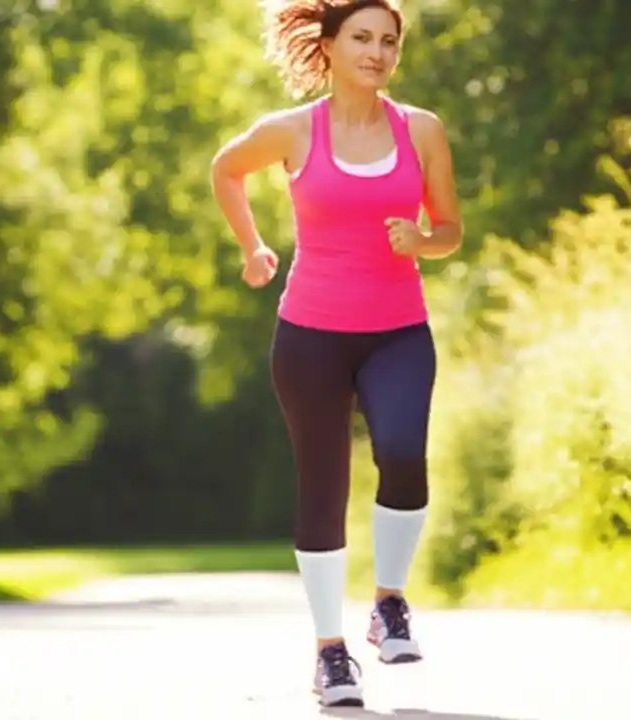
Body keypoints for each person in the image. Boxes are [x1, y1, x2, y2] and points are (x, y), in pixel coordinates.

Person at [210, 0, 462, 708]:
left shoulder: (422, 131)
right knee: (322, 491)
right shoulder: (292, 132)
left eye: (388, 41)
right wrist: (252, 247)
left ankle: (388, 604)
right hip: (311, 336)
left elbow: (450, 229)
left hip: (398, 331)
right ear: (329, 44)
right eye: (362, 38)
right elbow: (226, 170)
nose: (377, 52)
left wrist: (424, 242)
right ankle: (330, 654)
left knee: (405, 455)